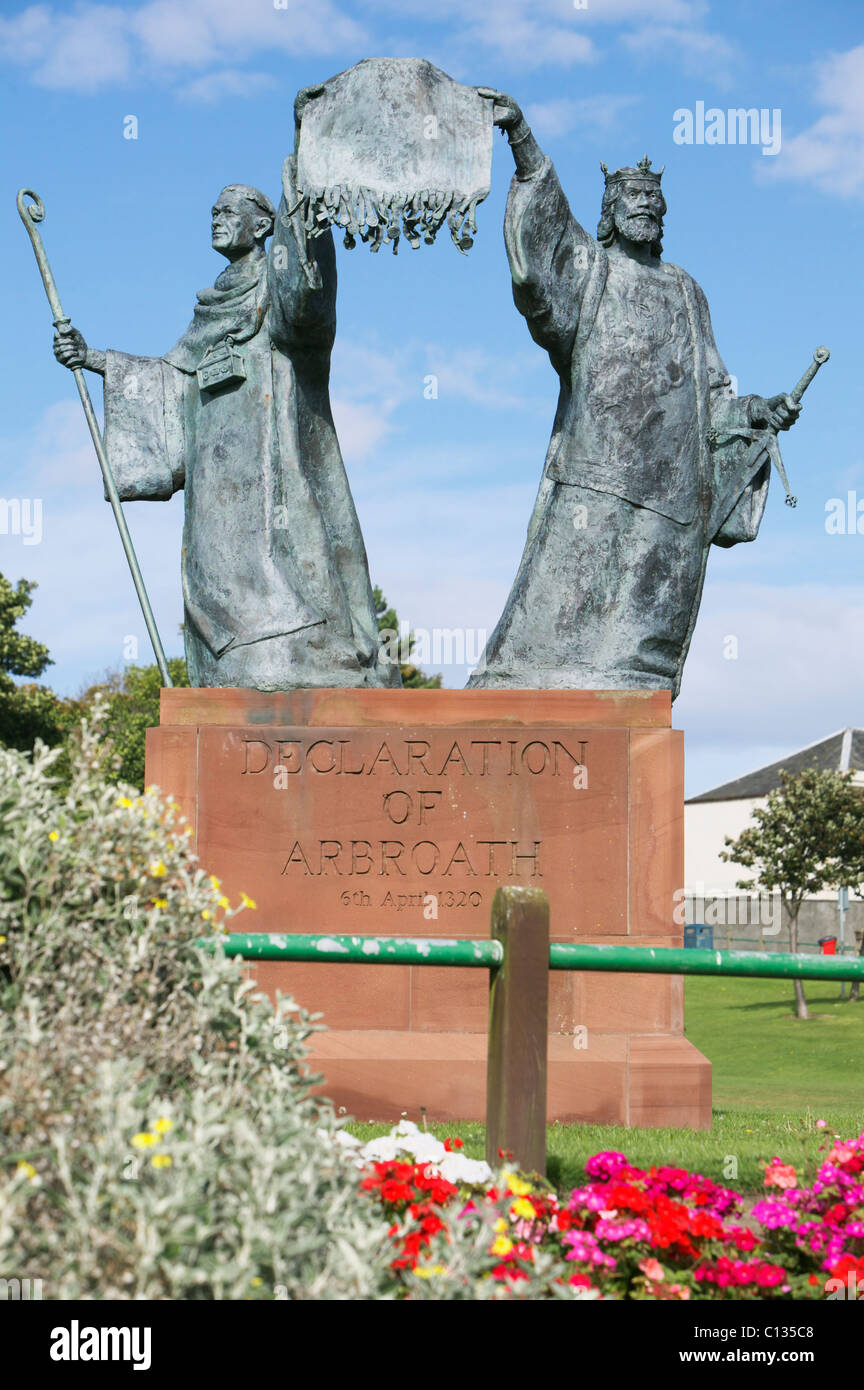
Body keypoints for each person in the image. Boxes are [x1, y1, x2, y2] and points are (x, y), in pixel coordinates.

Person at [469, 93, 799, 698]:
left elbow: (715, 392)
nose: (647, 208)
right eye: (635, 200)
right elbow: (546, 255)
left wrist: (757, 411)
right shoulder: (593, 270)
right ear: (611, 210)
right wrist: (522, 140)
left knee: (640, 644)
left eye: (655, 201)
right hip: (598, 469)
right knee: (558, 604)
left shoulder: (687, 290)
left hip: (670, 487)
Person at [54, 168, 398, 691]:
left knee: (287, 564)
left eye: (228, 212)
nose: (216, 219)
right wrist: (94, 358)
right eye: (213, 212)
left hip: (275, 468)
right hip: (217, 485)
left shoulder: (278, 288)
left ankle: (300, 658)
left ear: (263, 227)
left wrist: (304, 187)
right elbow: (172, 378)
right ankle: (231, 666)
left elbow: (309, 296)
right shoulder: (211, 305)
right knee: (214, 571)